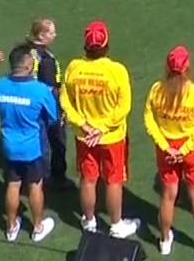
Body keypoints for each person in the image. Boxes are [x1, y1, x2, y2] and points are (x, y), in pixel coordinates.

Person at [61, 20, 139, 238]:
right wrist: (102, 128)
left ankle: (88, 220)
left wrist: (84, 125)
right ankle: (115, 225)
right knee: (114, 181)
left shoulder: (74, 68)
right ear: (106, 45)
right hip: (111, 137)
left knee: (88, 178)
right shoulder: (117, 71)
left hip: (84, 136)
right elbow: (123, 107)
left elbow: (65, 100)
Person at [145, 45, 194, 257]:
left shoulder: (157, 90)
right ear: (187, 68)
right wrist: (184, 149)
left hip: (166, 147)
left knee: (168, 196)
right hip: (192, 149)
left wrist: (166, 146)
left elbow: (149, 120)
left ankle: (165, 240)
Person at [0, 45, 60, 243]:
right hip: (32, 148)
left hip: (9, 146)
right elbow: (53, 117)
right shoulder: (39, 90)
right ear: (29, 66)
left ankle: (11, 226)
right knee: (35, 186)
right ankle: (38, 226)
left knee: (13, 185)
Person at [25, 18, 69, 185]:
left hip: (31, 104)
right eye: (52, 32)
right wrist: (59, 111)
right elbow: (51, 89)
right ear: (42, 35)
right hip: (48, 107)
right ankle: (57, 179)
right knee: (57, 143)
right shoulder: (46, 59)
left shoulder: (27, 52)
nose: (55, 35)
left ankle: (37, 175)